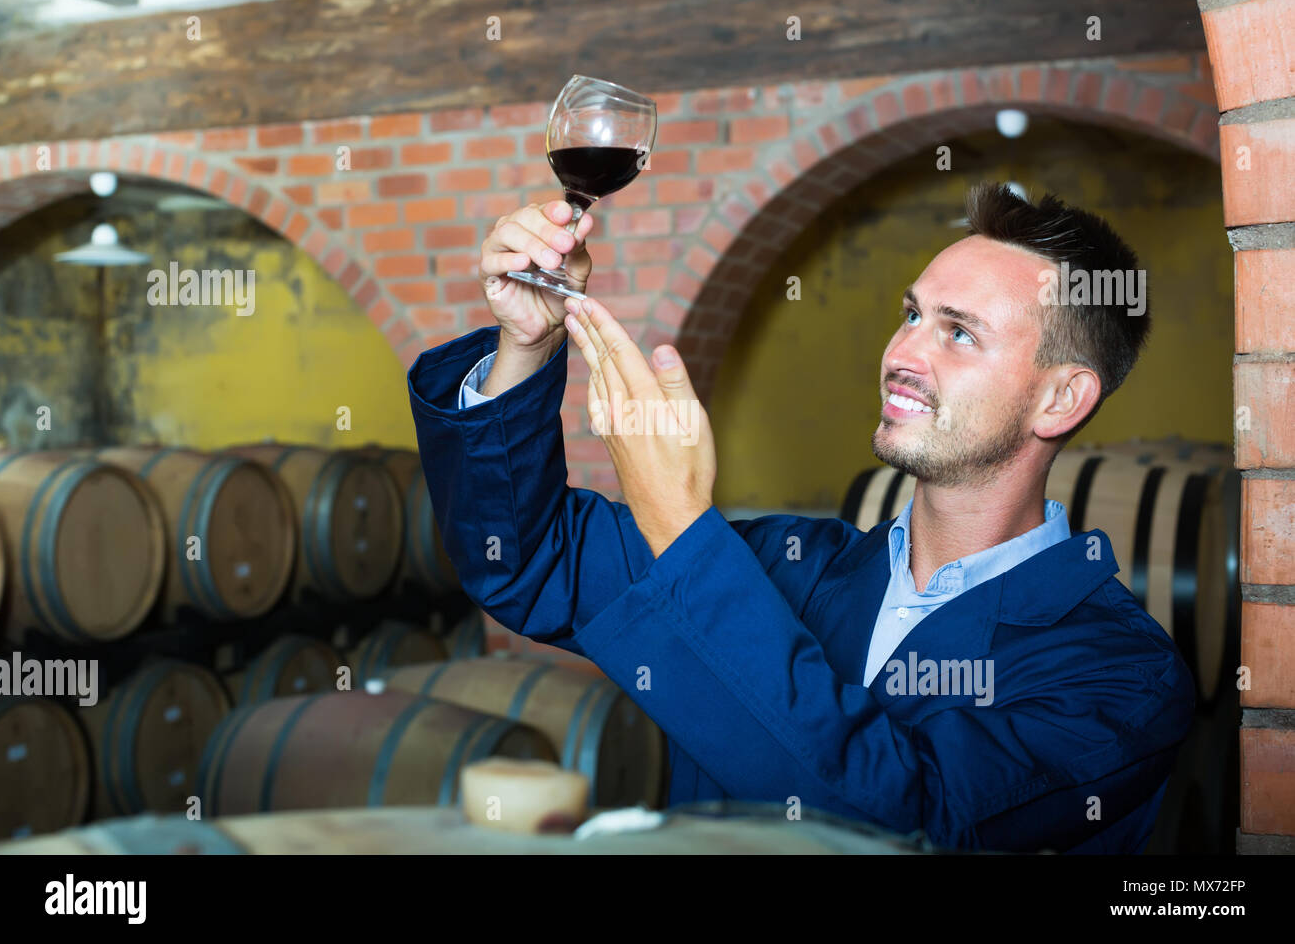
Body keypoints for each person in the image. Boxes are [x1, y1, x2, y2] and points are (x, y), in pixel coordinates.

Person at [406, 181, 1195, 853]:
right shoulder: (793, 563)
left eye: (959, 332)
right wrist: (525, 345)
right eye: (911, 314)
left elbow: (900, 822)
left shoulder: (1121, 676)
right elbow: (526, 560)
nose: (902, 353)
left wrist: (680, 524)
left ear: (1060, 399)